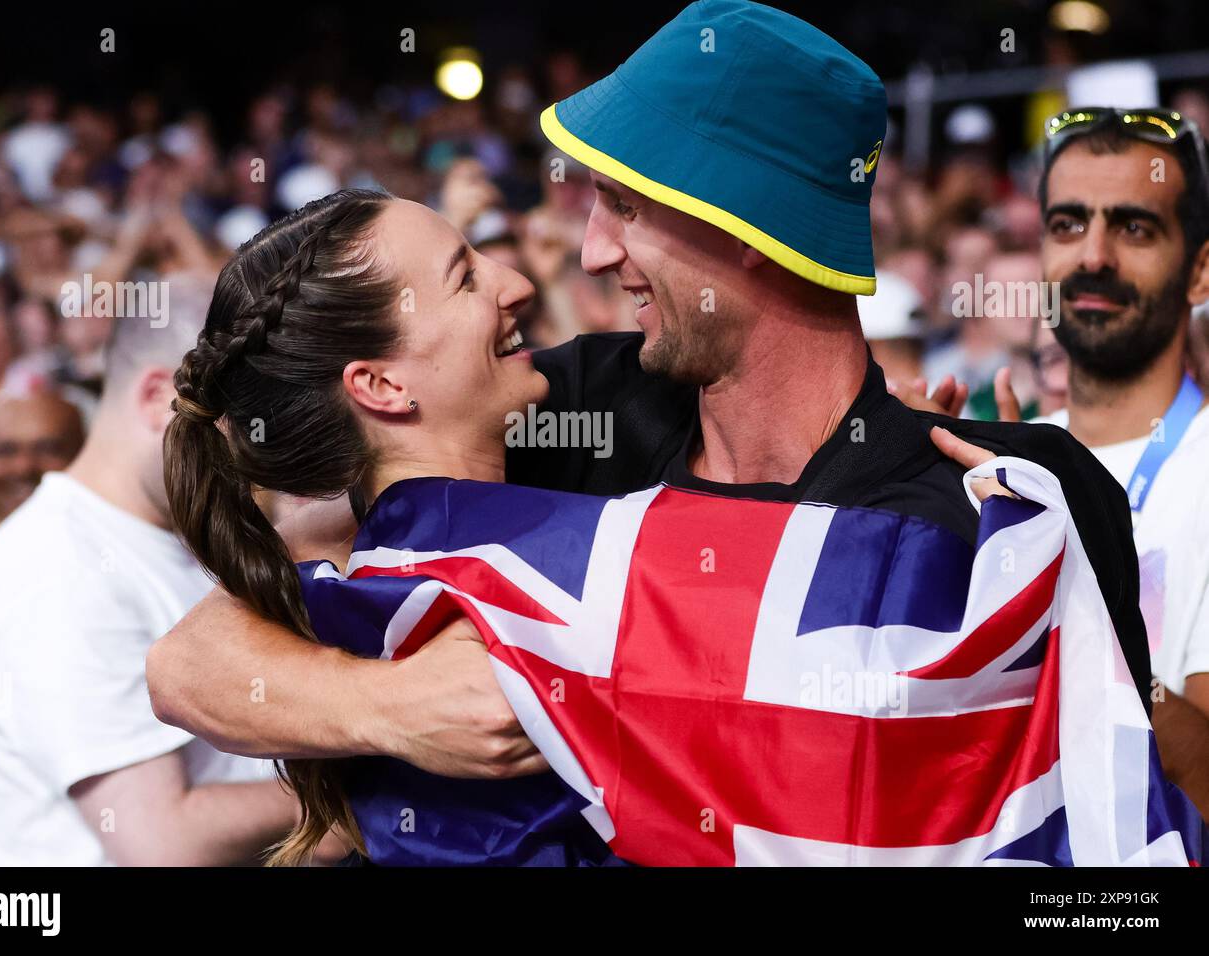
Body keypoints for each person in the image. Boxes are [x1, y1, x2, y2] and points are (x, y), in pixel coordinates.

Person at [146, 1, 1149, 826]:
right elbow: (196, 656)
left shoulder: (1009, 510)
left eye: (622, 205)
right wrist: (388, 706)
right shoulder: (567, 414)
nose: (584, 254)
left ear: (745, 224)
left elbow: (1111, 827)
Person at [0, 282, 315, 866]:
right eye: (243, 423)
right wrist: (344, 801)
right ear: (156, 396)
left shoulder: (162, 538)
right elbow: (160, 843)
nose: (254, 455)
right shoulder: (58, 568)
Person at [992, 107, 1209, 818]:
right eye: (1067, 224)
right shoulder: (1004, 464)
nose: (1093, 256)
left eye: (1134, 227)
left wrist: (1074, 604)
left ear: (1200, 269)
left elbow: (1205, 782)